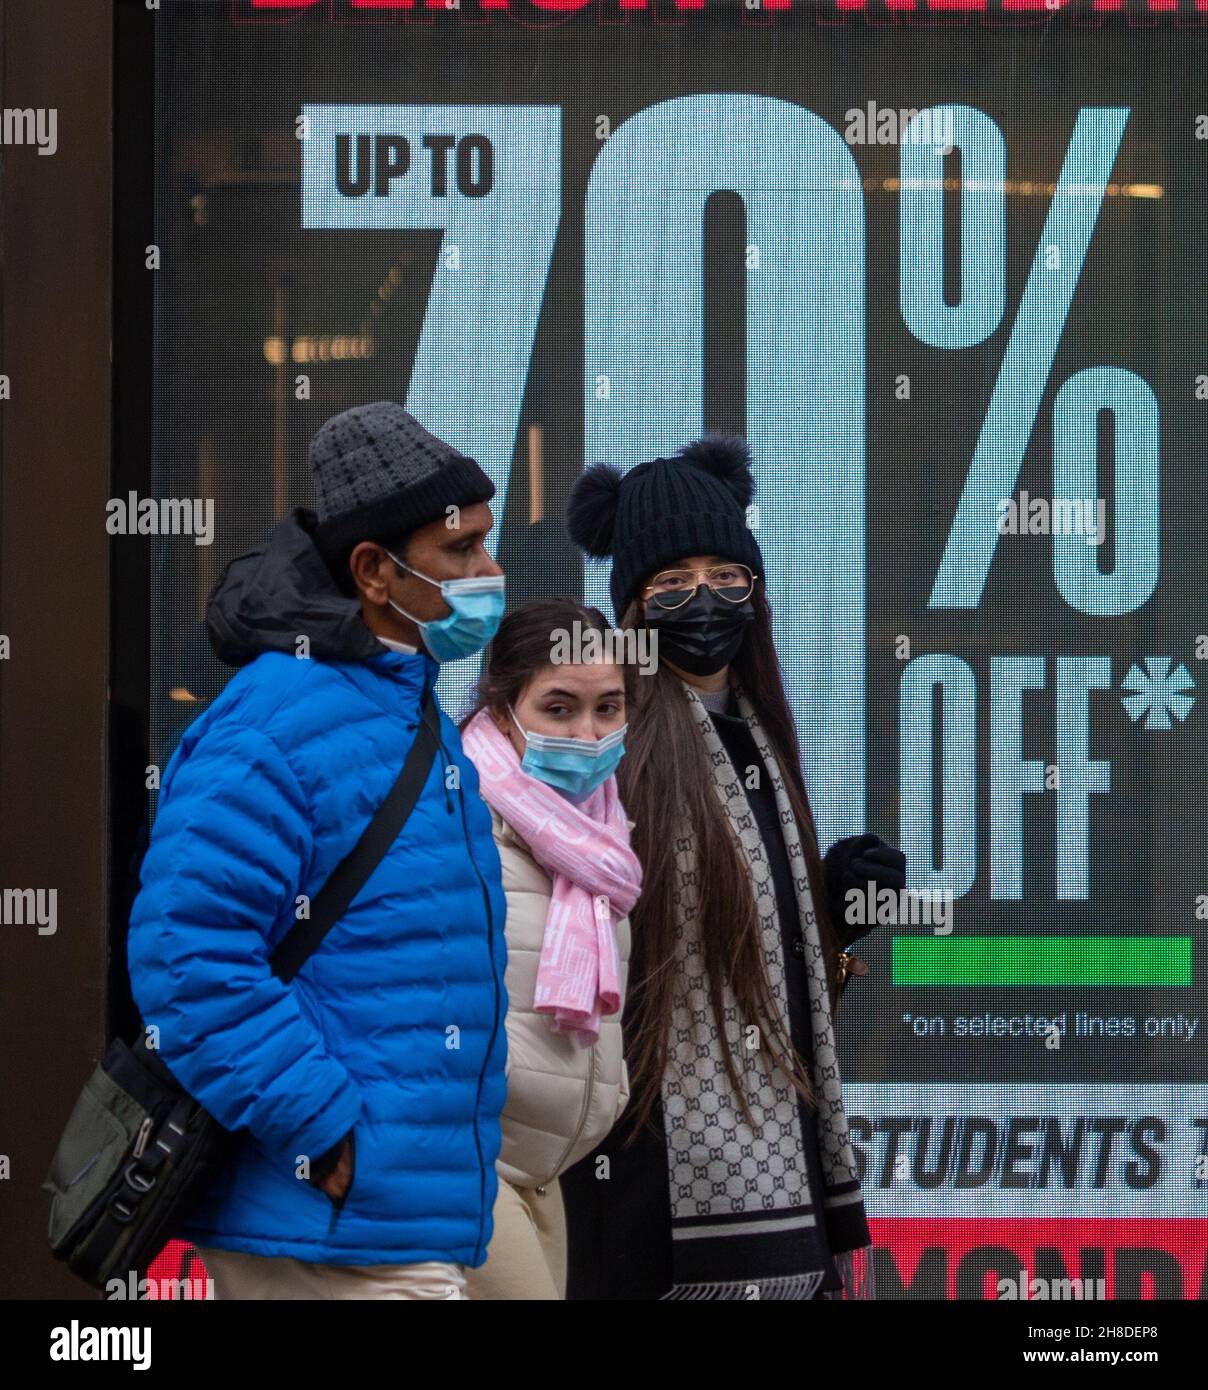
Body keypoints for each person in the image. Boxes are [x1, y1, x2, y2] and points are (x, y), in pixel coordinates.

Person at [126, 401, 509, 1300]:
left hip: (382, 1221)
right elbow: (185, 956)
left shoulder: (401, 708)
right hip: (327, 1225)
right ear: (375, 571)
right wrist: (325, 1131)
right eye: (462, 551)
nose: (491, 572)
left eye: (487, 545)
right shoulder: (276, 719)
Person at [560, 433, 906, 1300]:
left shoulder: (756, 727)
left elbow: (757, 955)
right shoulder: (607, 738)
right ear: (634, 602)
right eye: (672, 581)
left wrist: (828, 909)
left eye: (727, 574)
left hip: (779, 1154)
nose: (704, 596)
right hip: (647, 1172)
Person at [458, 599, 643, 1299]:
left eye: (609, 707)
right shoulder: (459, 823)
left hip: (544, 1173)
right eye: (559, 708)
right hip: (470, 1163)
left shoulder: (603, 836)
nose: (589, 734)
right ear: (504, 711)